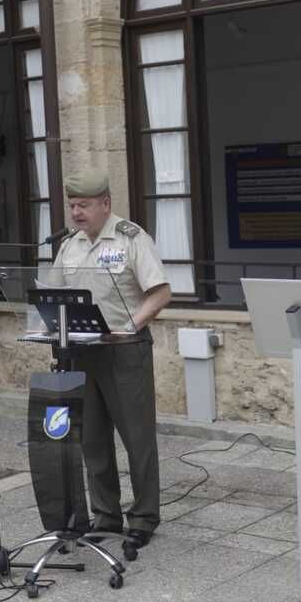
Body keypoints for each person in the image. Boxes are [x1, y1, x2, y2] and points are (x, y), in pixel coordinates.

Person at [51, 168, 171, 549]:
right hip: (84, 353)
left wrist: (130, 327)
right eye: (72, 205)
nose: (76, 212)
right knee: (93, 440)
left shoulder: (131, 239)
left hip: (124, 351)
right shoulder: (69, 245)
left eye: (83, 205)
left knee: (137, 439)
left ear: (105, 203)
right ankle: (106, 515)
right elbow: (51, 293)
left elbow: (160, 292)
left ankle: (144, 517)